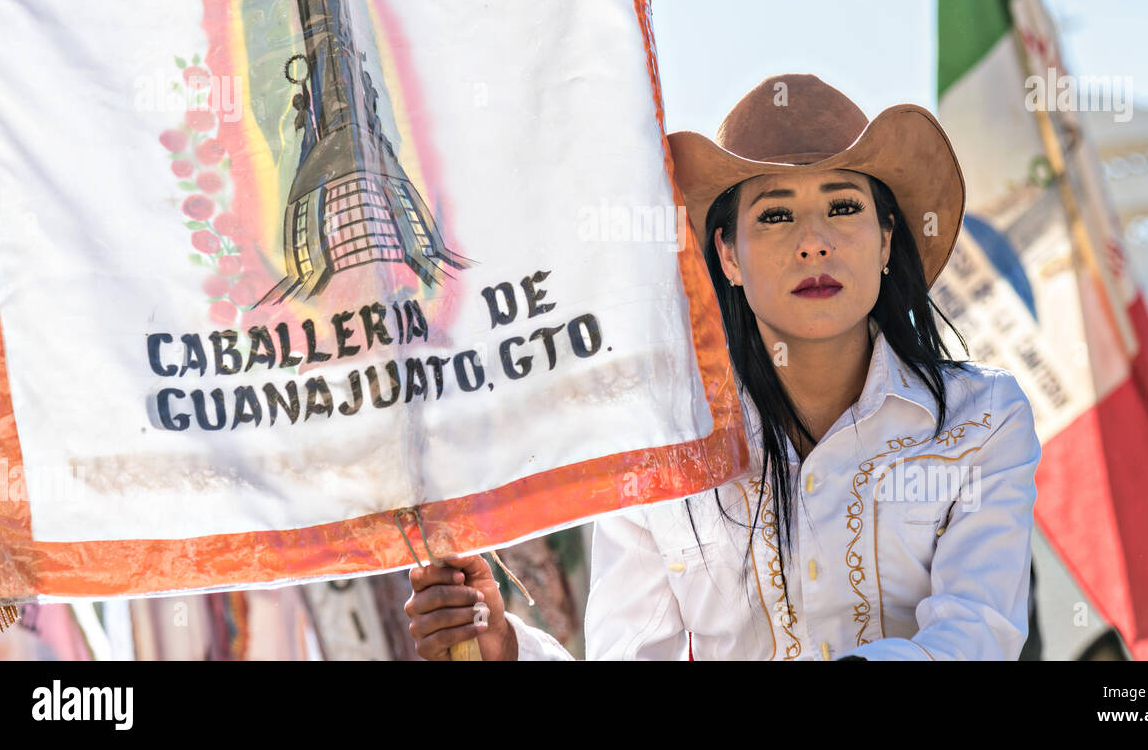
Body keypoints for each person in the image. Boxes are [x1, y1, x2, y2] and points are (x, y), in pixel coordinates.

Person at [405, 73, 1042, 660]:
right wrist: (508, 649)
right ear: (728, 257)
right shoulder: (658, 445)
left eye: (844, 206)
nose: (814, 240)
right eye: (775, 214)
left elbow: (975, 636)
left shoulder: (981, 419)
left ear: (887, 239)